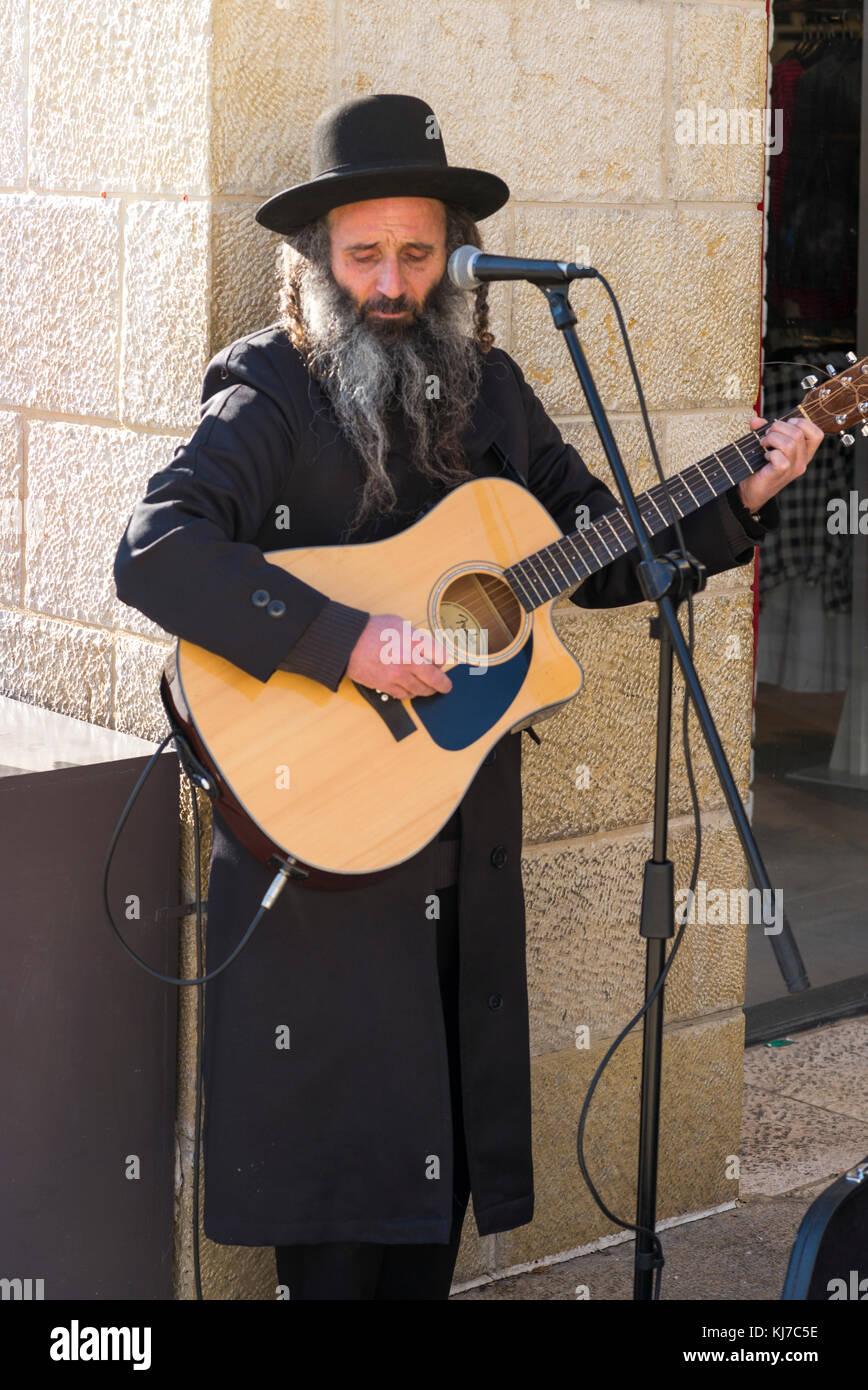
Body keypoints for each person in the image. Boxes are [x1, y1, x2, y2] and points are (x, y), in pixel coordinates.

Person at [112, 93, 823, 1300]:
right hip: (323, 862)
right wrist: (350, 641)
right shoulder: (268, 393)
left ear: (457, 257)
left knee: (425, 1193)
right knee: (339, 1194)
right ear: (319, 260)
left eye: (417, 253)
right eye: (365, 255)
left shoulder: (488, 389)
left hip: (455, 848)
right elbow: (155, 549)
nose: (392, 281)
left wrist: (735, 501)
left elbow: (598, 545)